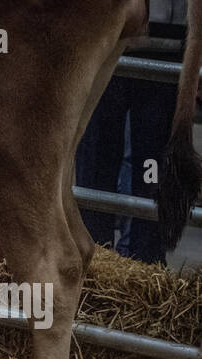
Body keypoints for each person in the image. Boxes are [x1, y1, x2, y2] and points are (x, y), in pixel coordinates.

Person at [75, 0, 189, 264]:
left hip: (165, 43)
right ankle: (92, 260)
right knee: (96, 160)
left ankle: (143, 265)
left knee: (152, 165)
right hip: (105, 40)